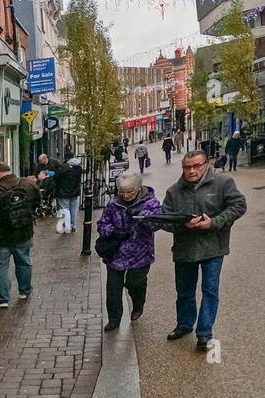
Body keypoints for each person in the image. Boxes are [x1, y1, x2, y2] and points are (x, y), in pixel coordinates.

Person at [155, 149, 246, 350]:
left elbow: (238, 206)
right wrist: (182, 225)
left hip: (213, 247)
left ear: (206, 164)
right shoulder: (174, 191)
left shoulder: (223, 183)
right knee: (185, 291)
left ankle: (204, 333)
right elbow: (164, 219)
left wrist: (214, 222)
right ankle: (185, 324)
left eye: (196, 166)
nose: (192, 171)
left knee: (210, 290)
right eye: (187, 167)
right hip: (185, 249)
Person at [96, 170, 161, 330]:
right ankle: (114, 319)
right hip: (116, 253)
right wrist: (113, 231)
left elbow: (156, 224)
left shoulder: (151, 203)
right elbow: (102, 225)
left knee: (134, 283)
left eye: (129, 191)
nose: (125, 196)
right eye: (121, 192)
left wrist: (142, 219)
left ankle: (138, 303)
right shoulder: (113, 204)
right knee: (113, 288)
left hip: (140, 253)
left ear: (138, 188)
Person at [0, 160, 40, 307]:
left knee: (1, 266)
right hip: (23, 232)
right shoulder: (28, 185)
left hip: (0, 236)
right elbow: (36, 202)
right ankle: (25, 291)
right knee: (24, 261)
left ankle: (2, 299)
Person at [51, 154, 83, 233]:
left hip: (64, 192)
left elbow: (56, 177)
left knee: (65, 209)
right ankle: (73, 225)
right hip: (75, 191)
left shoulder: (65, 167)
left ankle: (67, 228)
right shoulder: (79, 167)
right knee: (73, 209)